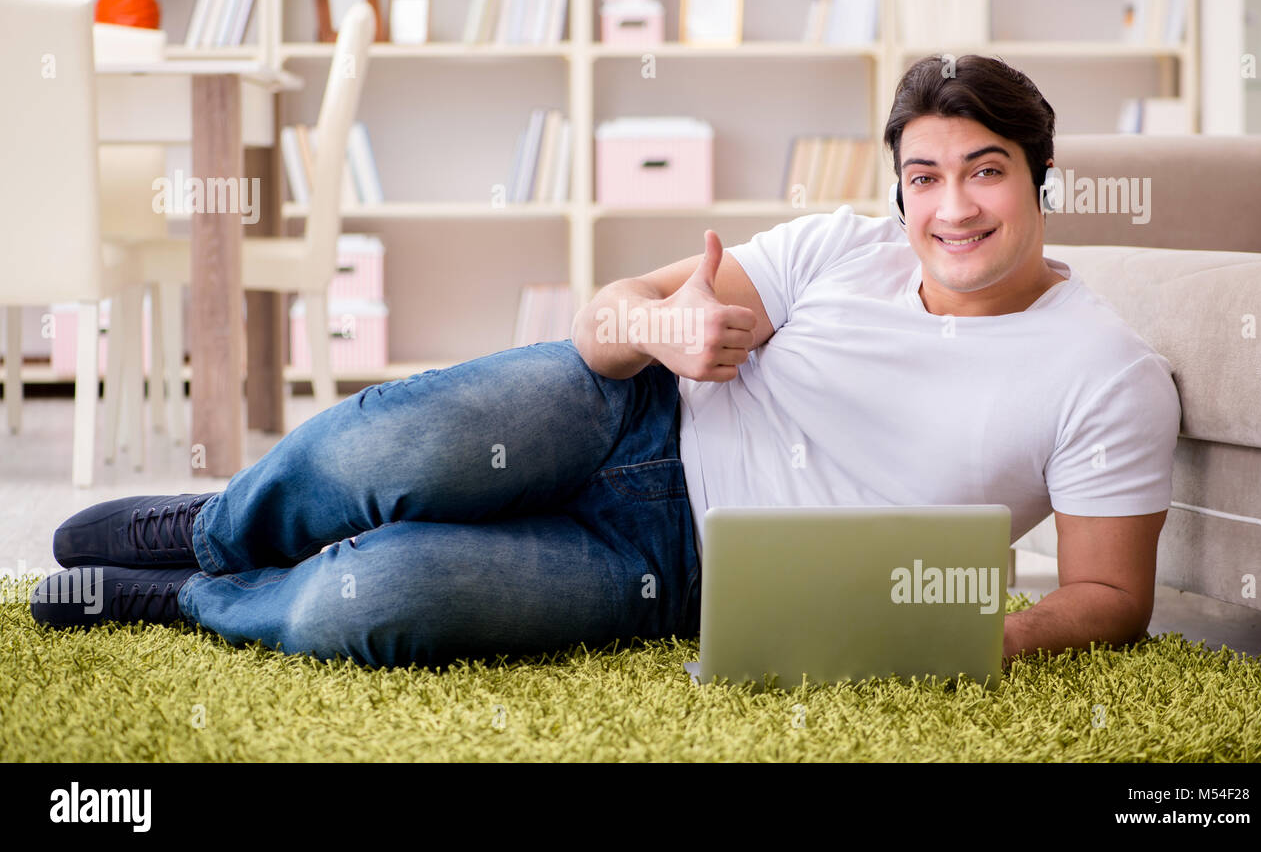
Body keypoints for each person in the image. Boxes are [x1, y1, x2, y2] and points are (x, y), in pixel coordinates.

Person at [31, 54, 1181, 668]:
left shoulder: (1104, 373)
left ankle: (192, 598)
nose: (951, 208)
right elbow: (604, 323)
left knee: (369, 599)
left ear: (1041, 181)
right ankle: (213, 529)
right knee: (400, 441)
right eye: (923, 177)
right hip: (625, 417)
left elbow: (1109, 599)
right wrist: (662, 329)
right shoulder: (845, 247)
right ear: (899, 190)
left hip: (686, 574)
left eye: (984, 170)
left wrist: (998, 633)